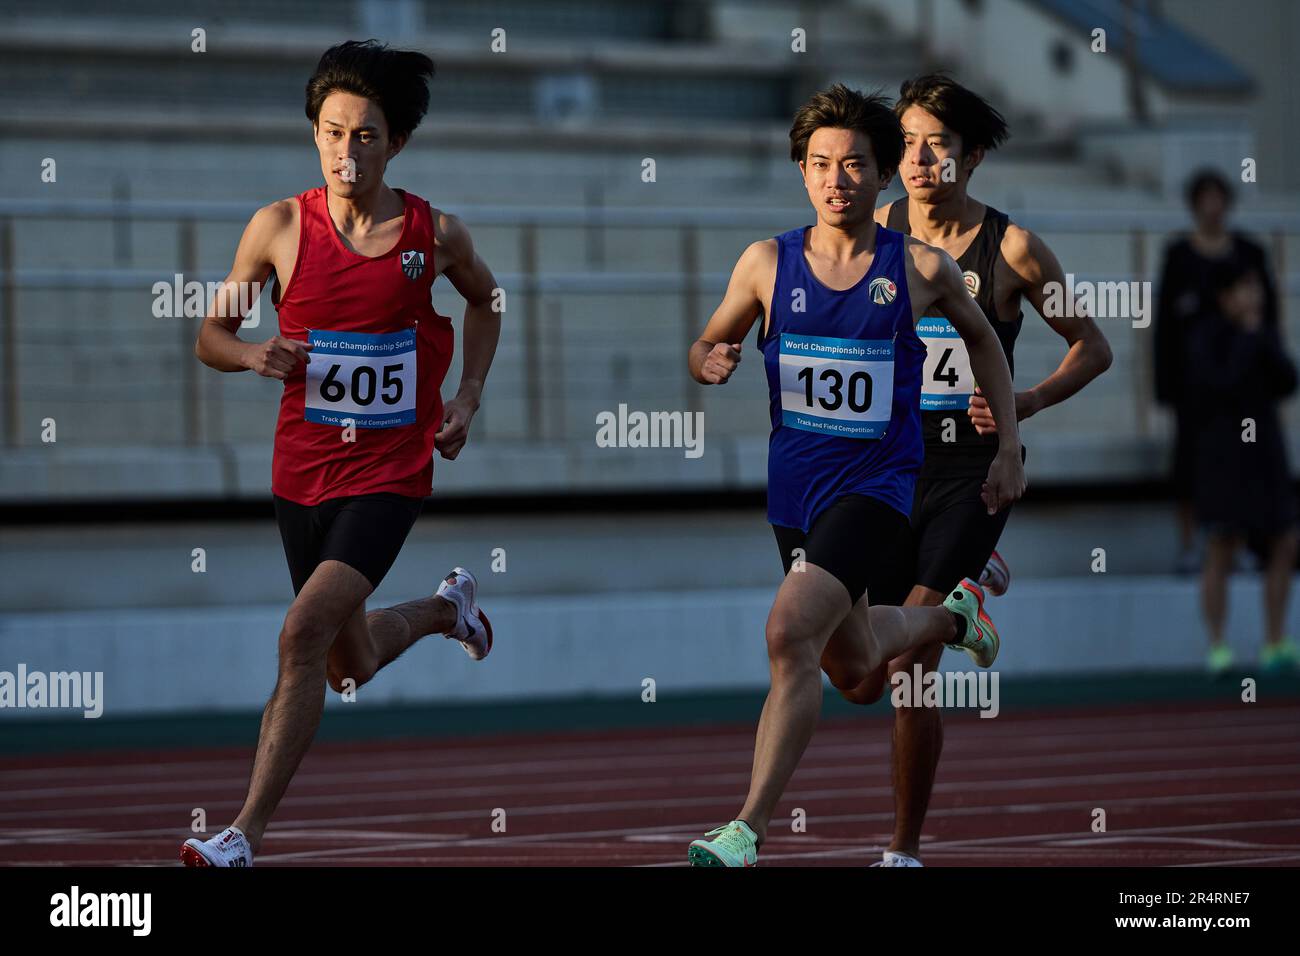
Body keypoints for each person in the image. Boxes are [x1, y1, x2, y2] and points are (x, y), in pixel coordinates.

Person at [684, 83, 1026, 867]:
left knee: (785, 632)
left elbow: (985, 346)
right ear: (802, 172)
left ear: (880, 177)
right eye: (820, 164)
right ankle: (954, 618)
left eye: (854, 165)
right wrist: (711, 360)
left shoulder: (920, 268)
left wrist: (1007, 445)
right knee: (855, 668)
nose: (836, 179)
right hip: (794, 494)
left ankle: (747, 828)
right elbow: (706, 343)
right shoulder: (766, 263)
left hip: (876, 486)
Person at [183, 41, 501, 867]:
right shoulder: (279, 227)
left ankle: (239, 835)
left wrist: (466, 397)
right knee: (345, 662)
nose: (345, 152)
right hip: (302, 475)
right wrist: (255, 353)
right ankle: (443, 611)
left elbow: (488, 302)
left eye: (365, 136)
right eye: (331, 133)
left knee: (300, 637)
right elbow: (211, 335)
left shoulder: (434, 234)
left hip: (390, 475)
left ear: (396, 143)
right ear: (313, 134)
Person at [861, 73, 1112, 867]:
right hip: (893, 468)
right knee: (872, 676)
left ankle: (902, 852)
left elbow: (1095, 346)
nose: (919, 158)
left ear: (971, 157)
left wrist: (1024, 407)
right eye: (906, 142)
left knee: (907, 665)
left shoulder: (1012, 248)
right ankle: (977, 582)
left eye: (938, 144)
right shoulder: (875, 228)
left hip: (974, 471)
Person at [1155, 169, 1279, 574]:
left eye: (1217, 197)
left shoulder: (1249, 253)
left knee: (1243, 462)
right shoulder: (1179, 256)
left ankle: (1240, 542)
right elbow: (1165, 329)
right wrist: (1166, 385)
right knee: (1189, 465)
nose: (1212, 207)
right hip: (1196, 387)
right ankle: (1192, 545)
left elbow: (1270, 321)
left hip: (1244, 386)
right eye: (1203, 198)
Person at [1187, 256, 1298, 676]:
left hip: (1265, 451)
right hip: (1223, 455)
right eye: (1244, 289)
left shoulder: (1263, 331)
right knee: (1221, 544)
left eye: (1256, 288)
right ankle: (1218, 646)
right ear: (1225, 296)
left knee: (1284, 541)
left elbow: (1288, 379)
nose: (1254, 297)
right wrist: (1250, 338)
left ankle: (1276, 640)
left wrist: (1260, 338)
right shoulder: (1205, 335)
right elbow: (1221, 383)